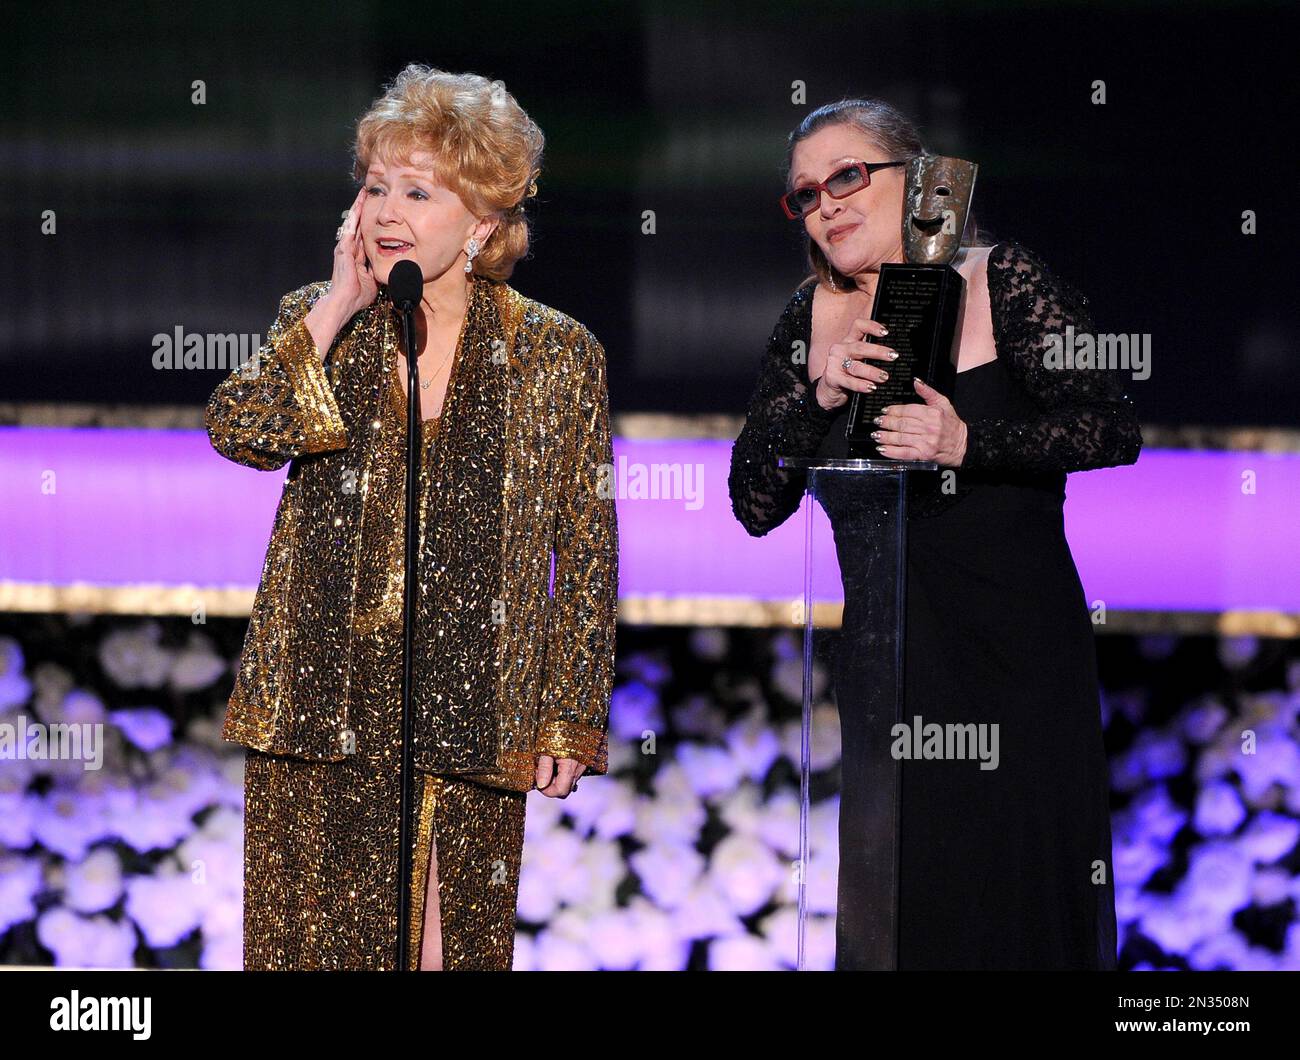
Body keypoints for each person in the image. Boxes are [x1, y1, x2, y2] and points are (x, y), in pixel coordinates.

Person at [205, 64, 619, 971]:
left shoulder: (556, 353)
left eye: (417, 192)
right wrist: (336, 305)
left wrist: (569, 712)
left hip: (470, 708)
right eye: (375, 186)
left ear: (483, 224)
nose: (386, 211)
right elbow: (241, 431)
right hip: (320, 706)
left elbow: (587, 547)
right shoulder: (321, 322)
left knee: (444, 951)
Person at [728, 98, 1141, 970]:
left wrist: (967, 443)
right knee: (907, 907)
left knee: (1014, 903)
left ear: (916, 177)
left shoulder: (1004, 279)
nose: (828, 204)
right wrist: (821, 396)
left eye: (848, 176)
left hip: (1014, 661)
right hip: (889, 667)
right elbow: (754, 501)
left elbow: (1111, 426)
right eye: (806, 194)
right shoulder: (810, 317)